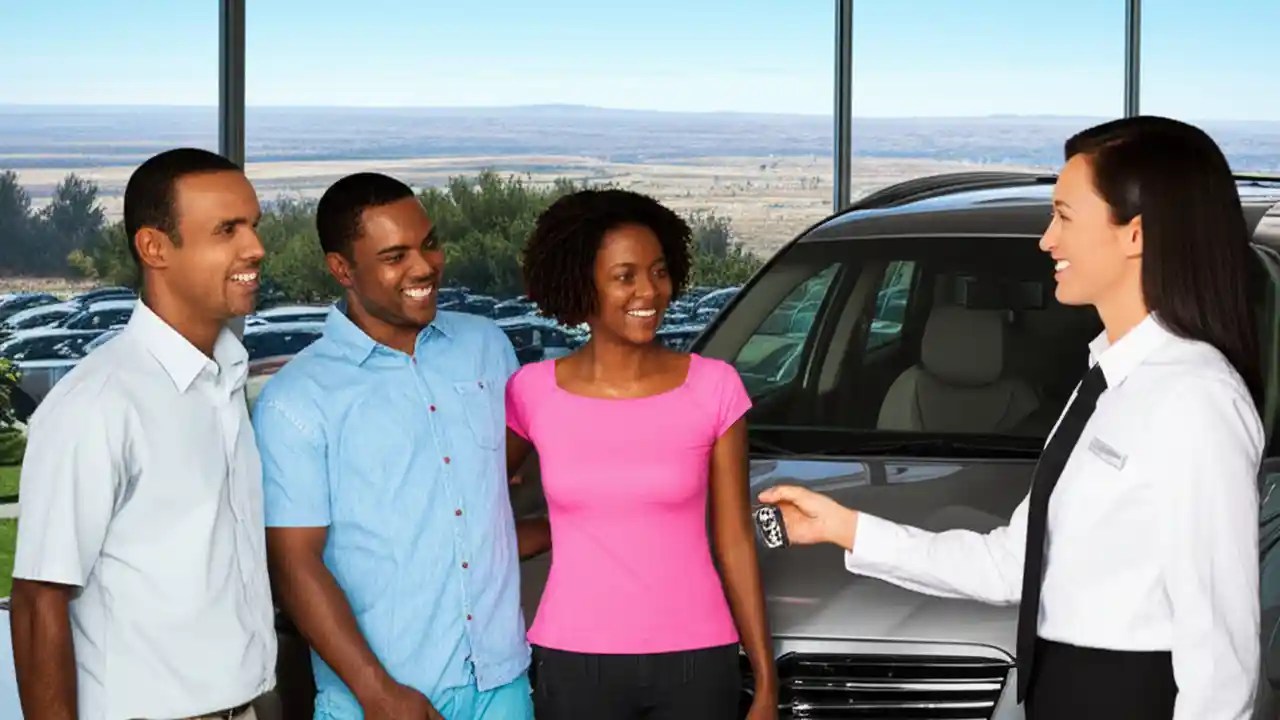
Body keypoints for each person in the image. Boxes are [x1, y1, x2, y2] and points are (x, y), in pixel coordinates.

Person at [759, 115, 1264, 720]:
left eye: (1065, 217)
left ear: (1136, 234)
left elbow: (1221, 658)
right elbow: (1011, 567)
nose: (1048, 240)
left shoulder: (1196, 399)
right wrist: (844, 528)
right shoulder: (1106, 381)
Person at [253, 172, 547, 720]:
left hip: (502, 682)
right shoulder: (297, 401)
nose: (423, 267)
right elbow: (293, 564)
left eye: (429, 243)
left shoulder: (487, 348)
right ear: (342, 269)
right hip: (375, 701)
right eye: (395, 256)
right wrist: (376, 692)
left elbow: (494, 493)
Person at [9, 148, 276, 720]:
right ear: (155, 248)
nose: (254, 247)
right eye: (227, 229)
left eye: (253, 225)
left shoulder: (225, 378)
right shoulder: (99, 404)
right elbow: (37, 603)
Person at [506, 188, 777, 719]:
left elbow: (736, 541)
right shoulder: (531, 391)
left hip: (697, 661)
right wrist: (545, 532)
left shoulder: (714, 388)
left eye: (658, 271)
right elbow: (466, 504)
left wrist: (766, 680)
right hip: (574, 660)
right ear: (583, 286)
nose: (649, 291)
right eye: (625, 275)